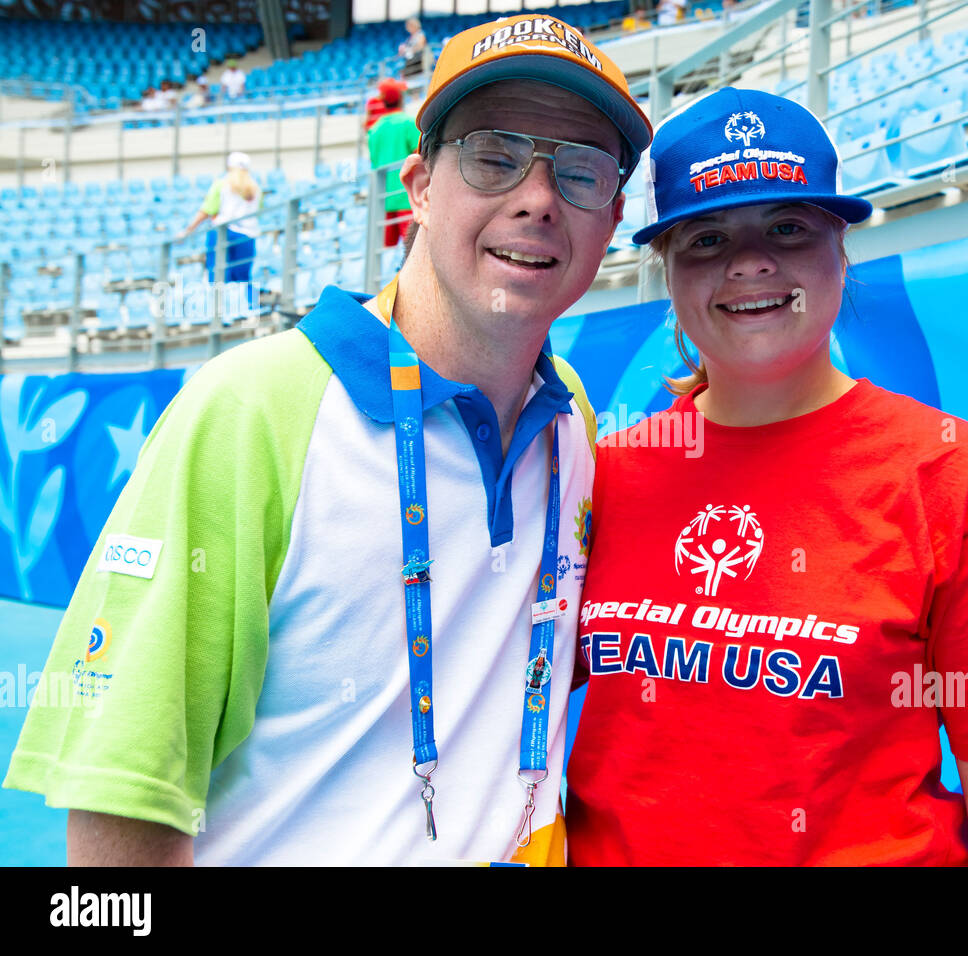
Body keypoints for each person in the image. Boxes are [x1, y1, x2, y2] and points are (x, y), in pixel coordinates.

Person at [3, 13, 648, 867]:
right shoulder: (255, 406)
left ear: (612, 219)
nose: (537, 198)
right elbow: (125, 795)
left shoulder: (570, 419)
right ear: (416, 186)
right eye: (495, 157)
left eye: (581, 172)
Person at [564, 87, 968, 866]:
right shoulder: (603, 478)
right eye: (707, 238)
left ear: (841, 250)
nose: (749, 261)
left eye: (787, 227)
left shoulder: (950, 475)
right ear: (668, 273)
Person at [178, 150, 262, 317]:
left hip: (222, 234)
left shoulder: (221, 184)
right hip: (247, 235)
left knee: (218, 275)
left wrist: (188, 231)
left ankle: (220, 314)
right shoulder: (256, 188)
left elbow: (207, 210)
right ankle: (250, 311)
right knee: (243, 276)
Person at [367, 80, 420, 248]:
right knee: (413, 250)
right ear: (400, 99)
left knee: (385, 253)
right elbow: (419, 155)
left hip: (383, 199)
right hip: (407, 197)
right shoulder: (408, 123)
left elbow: (374, 163)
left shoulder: (374, 130)